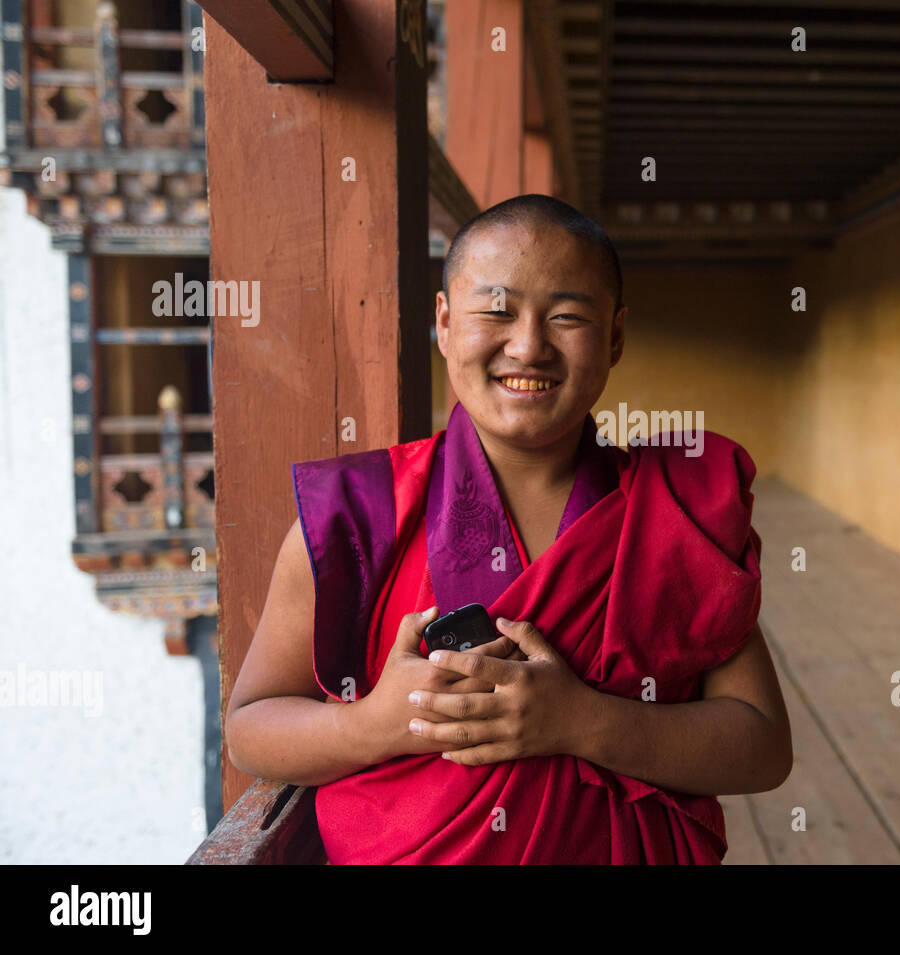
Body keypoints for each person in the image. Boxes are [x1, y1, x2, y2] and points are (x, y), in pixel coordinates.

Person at [224, 194, 792, 864]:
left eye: (567, 316)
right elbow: (251, 728)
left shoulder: (675, 512)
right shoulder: (361, 511)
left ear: (613, 337)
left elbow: (761, 745)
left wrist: (581, 721)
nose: (528, 345)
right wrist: (375, 721)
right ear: (443, 322)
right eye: (496, 309)